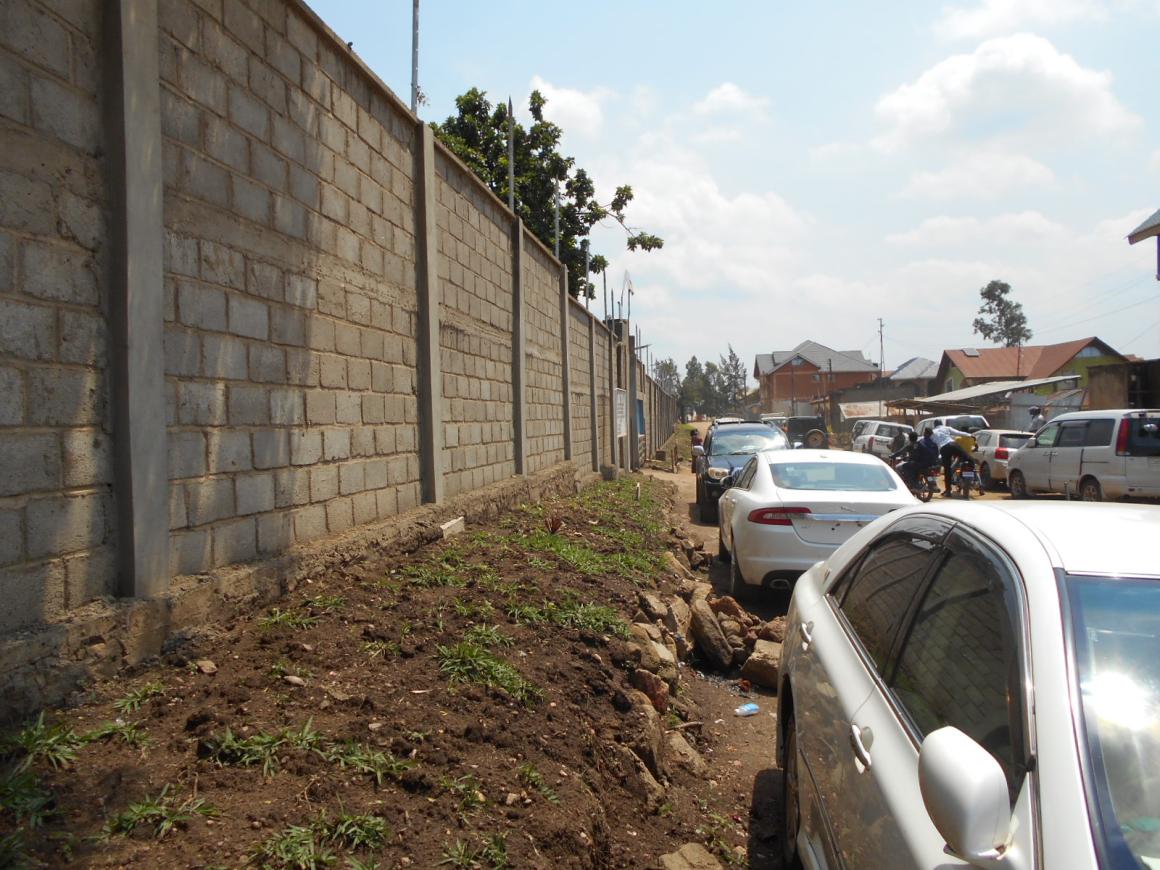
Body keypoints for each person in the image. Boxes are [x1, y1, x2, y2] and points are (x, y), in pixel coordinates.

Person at [930, 423, 975, 496]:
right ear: (942, 424)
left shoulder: (932, 432)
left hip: (943, 449)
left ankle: (948, 491)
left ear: (934, 425)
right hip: (952, 444)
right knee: (968, 458)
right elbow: (958, 432)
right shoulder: (946, 428)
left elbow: (932, 444)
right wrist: (970, 435)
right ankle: (973, 475)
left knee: (947, 470)